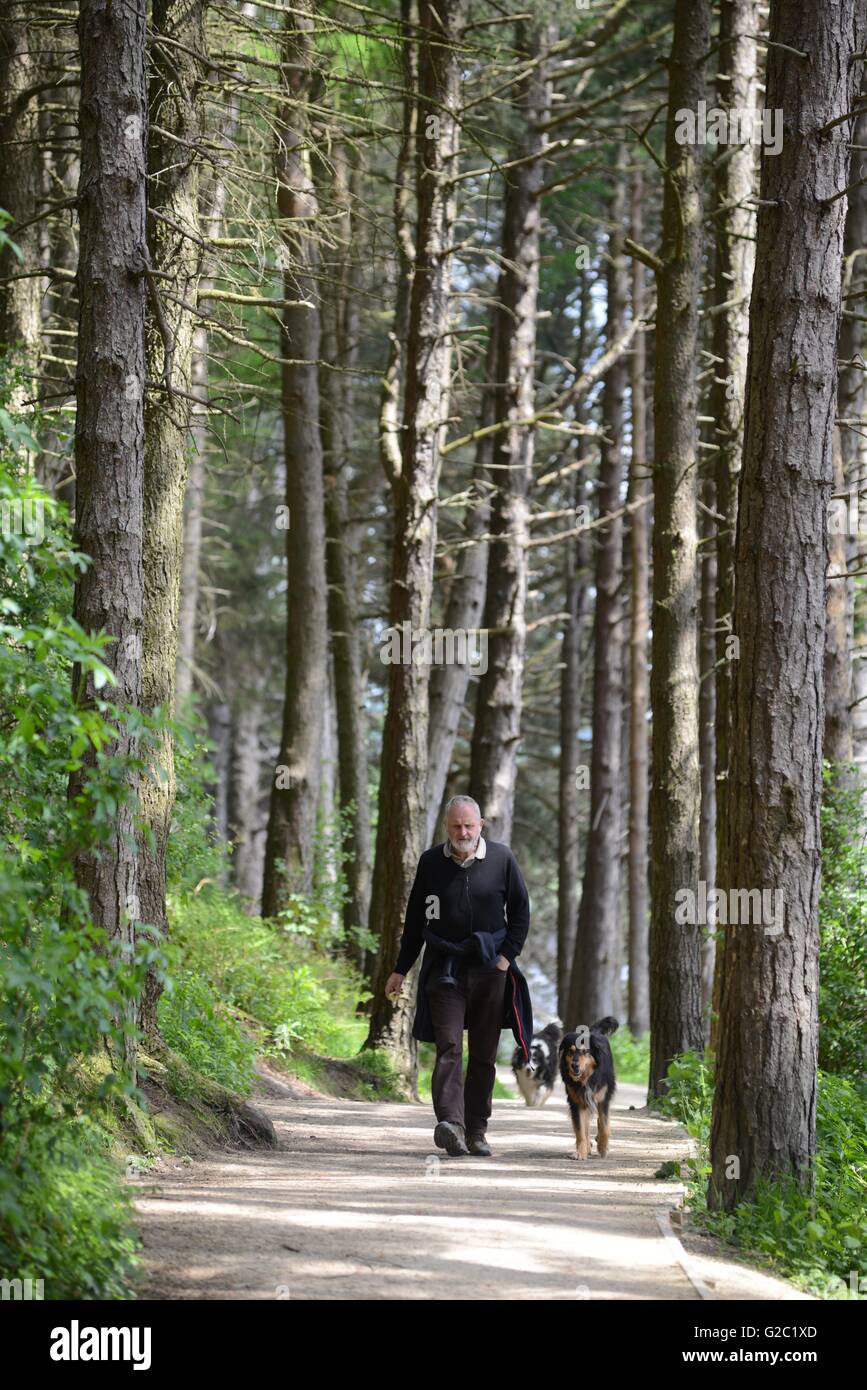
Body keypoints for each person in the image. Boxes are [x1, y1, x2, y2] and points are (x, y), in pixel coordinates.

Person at [384, 795, 533, 1157]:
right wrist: (400, 969)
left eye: (469, 825)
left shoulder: (502, 859)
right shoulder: (431, 862)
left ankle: (477, 1130)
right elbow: (416, 923)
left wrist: (504, 959)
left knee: (483, 1053)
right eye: (455, 826)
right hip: (444, 968)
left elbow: (520, 913)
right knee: (449, 1047)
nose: (462, 832)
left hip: (489, 969)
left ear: (481, 825)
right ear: (446, 827)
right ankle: (451, 1123)